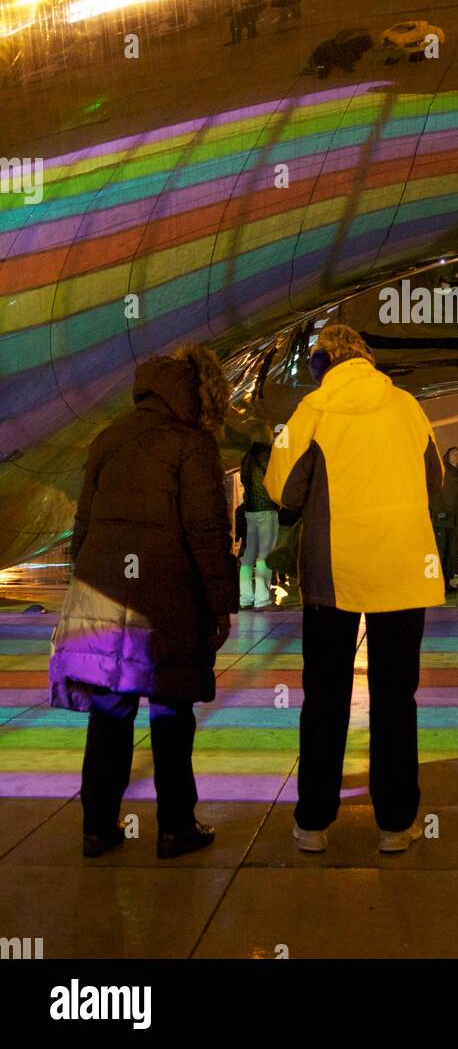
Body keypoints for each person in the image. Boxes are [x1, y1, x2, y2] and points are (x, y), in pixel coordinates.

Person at [49, 346, 239, 859]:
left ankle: (97, 828)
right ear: (201, 392)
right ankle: (176, 827)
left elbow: (83, 526)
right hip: (168, 602)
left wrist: (87, 583)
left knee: (109, 712)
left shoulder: (110, 438)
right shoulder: (192, 445)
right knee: (172, 714)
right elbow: (206, 533)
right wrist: (221, 603)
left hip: (105, 595)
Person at [263, 324, 444, 854]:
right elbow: (434, 478)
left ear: (321, 364)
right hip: (404, 571)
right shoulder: (407, 405)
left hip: (331, 575)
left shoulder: (314, 410)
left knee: (324, 698)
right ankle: (395, 823)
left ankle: (314, 822)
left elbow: (283, 486)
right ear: (367, 358)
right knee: (395, 698)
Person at [239, 435, 279, 609]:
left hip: (250, 510)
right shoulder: (268, 455)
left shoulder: (246, 457)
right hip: (266, 508)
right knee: (264, 555)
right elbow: (275, 478)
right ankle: (262, 599)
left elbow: (243, 481)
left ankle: (245, 598)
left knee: (248, 556)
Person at [430, 446, 458, 591]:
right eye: (453, 453)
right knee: (441, 550)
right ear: (447, 455)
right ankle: (437, 582)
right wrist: (439, 510)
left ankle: (447, 581)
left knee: (452, 551)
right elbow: (435, 492)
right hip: (442, 517)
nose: (456, 456)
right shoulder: (442, 471)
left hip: (455, 519)